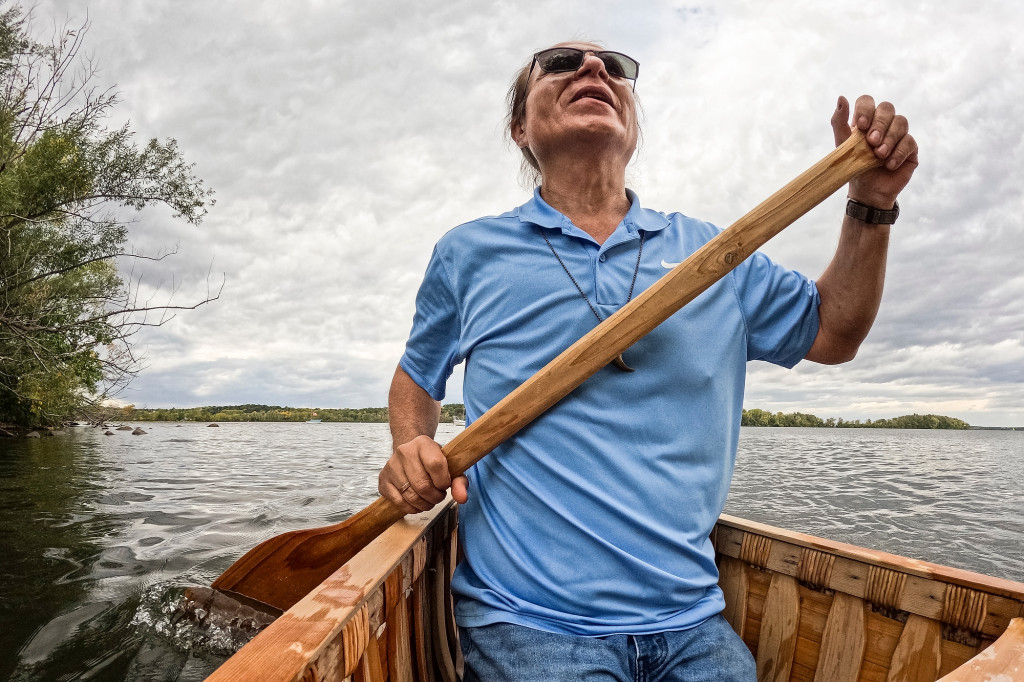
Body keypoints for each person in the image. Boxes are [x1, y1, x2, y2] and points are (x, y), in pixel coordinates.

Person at [379, 42, 918, 681]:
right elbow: (418, 374)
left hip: (692, 624)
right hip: (528, 623)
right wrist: (412, 442)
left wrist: (871, 203)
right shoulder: (469, 253)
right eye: (558, 63)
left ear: (632, 126)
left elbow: (834, 333)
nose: (594, 70)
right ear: (521, 128)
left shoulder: (715, 253)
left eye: (615, 68)